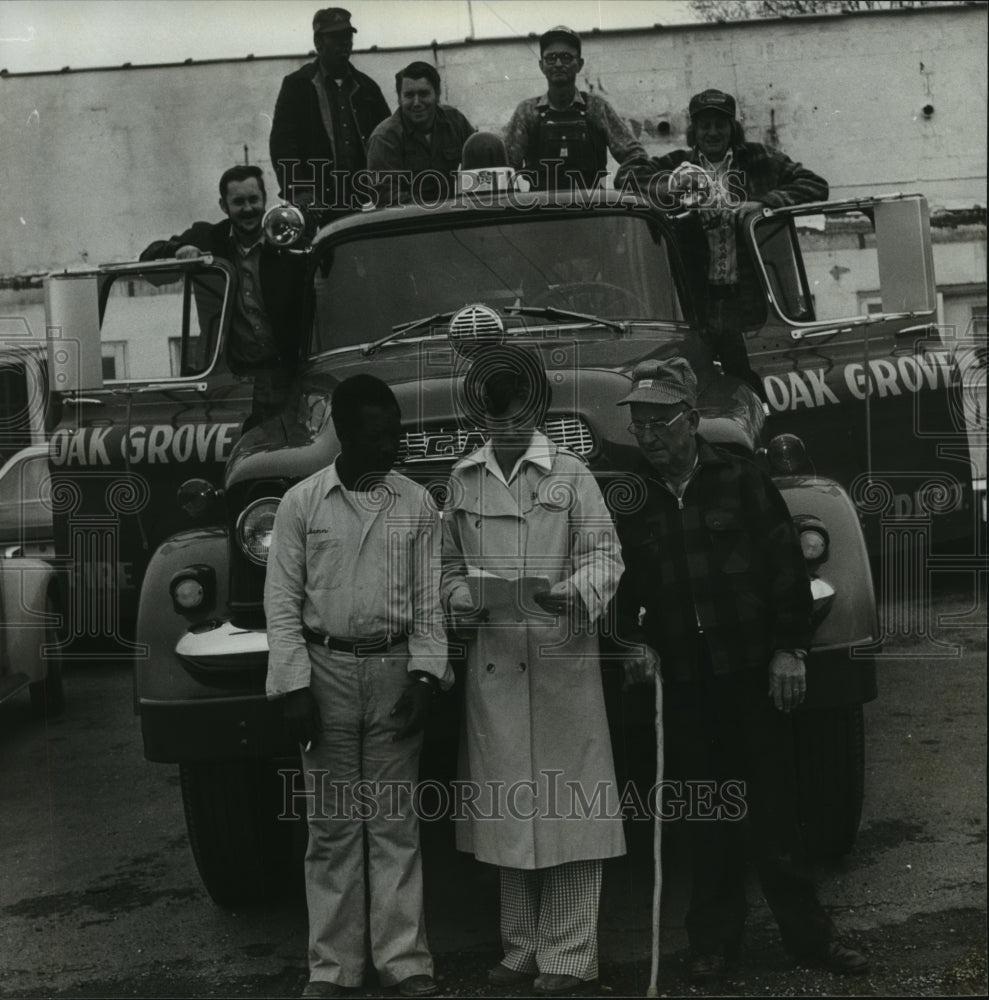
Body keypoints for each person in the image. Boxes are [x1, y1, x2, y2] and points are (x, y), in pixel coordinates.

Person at [612, 357, 869, 986]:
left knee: (775, 815)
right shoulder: (632, 494)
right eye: (639, 423)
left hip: (751, 674)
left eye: (659, 422)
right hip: (685, 682)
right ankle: (713, 945)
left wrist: (791, 650)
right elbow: (621, 585)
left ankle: (810, 940)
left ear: (691, 421)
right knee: (704, 816)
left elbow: (788, 573)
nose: (647, 435)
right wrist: (633, 641)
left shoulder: (742, 479)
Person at [440, 345, 625, 996]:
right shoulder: (462, 480)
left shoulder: (571, 475)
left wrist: (572, 593)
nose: (508, 421)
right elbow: (447, 569)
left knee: (570, 811)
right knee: (507, 812)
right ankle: (519, 948)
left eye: (519, 407)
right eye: (495, 409)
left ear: (536, 407)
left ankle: (570, 956)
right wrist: (462, 601)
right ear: (481, 412)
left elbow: (605, 557)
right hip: (494, 665)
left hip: (559, 659)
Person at [264, 374, 452, 1000]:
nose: (390, 448)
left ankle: (405, 962)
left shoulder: (418, 504)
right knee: (333, 828)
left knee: (395, 824)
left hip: (395, 670)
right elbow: (283, 606)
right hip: (327, 676)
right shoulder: (301, 505)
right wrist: (294, 688)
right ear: (343, 434)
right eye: (376, 438)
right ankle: (333, 969)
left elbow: (429, 603)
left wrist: (425, 675)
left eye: (396, 435)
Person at [624, 89, 829, 400]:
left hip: (748, 302)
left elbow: (816, 184)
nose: (712, 132)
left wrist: (763, 204)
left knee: (753, 383)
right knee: (698, 385)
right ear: (694, 130)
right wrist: (670, 186)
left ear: (733, 127)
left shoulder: (760, 159)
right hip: (697, 301)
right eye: (704, 125)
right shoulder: (678, 164)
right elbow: (627, 179)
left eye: (720, 124)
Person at [139, 163, 304, 429]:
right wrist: (179, 249)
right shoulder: (207, 238)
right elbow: (148, 265)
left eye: (253, 199)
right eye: (238, 202)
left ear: (264, 200)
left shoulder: (286, 238)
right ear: (223, 205)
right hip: (232, 383)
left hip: (289, 377)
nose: (248, 208)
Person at [269, 7, 390, 214]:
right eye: (335, 36)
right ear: (318, 42)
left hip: (365, 203)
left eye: (347, 36)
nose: (344, 42)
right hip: (316, 205)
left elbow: (388, 139)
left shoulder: (368, 89)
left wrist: (386, 191)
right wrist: (298, 191)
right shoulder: (297, 85)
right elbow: (282, 144)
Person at [503, 25, 651, 192]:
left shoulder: (596, 108)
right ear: (541, 65)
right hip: (541, 212)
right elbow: (506, 166)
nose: (558, 64)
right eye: (551, 58)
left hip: (591, 211)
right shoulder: (528, 112)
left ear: (580, 64)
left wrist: (624, 183)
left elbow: (635, 155)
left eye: (566, 57)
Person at [366, 61, 475, 206]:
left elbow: (480, 165)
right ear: (399, 99)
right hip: (411, 223)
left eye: (423, 94)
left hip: (453, 215)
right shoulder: (384, 139)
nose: (416, 102)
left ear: (437, 94)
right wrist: (435, 210)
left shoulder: (455, 121)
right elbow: (386, 196)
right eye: (409, 95)